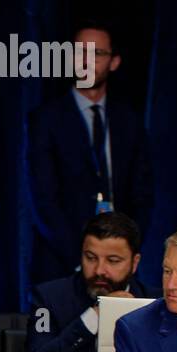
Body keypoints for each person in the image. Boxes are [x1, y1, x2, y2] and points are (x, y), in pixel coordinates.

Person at [27, 21, 153, 284]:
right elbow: (42, 199)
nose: (86, 61)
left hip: (121, 263)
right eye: (79, 52)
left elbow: (143, 193)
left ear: (114, 62)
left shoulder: (129, 121)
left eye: (97, 53)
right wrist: (83, 258)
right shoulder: (46, 119)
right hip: (63, 262)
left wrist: (125, 252)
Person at [28, 212, 154, 352]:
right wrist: (93, 317)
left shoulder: (153, 304)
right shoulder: (48, 299)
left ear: (134, 263)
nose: (99, 270)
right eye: (91, 258)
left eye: (113, 260)